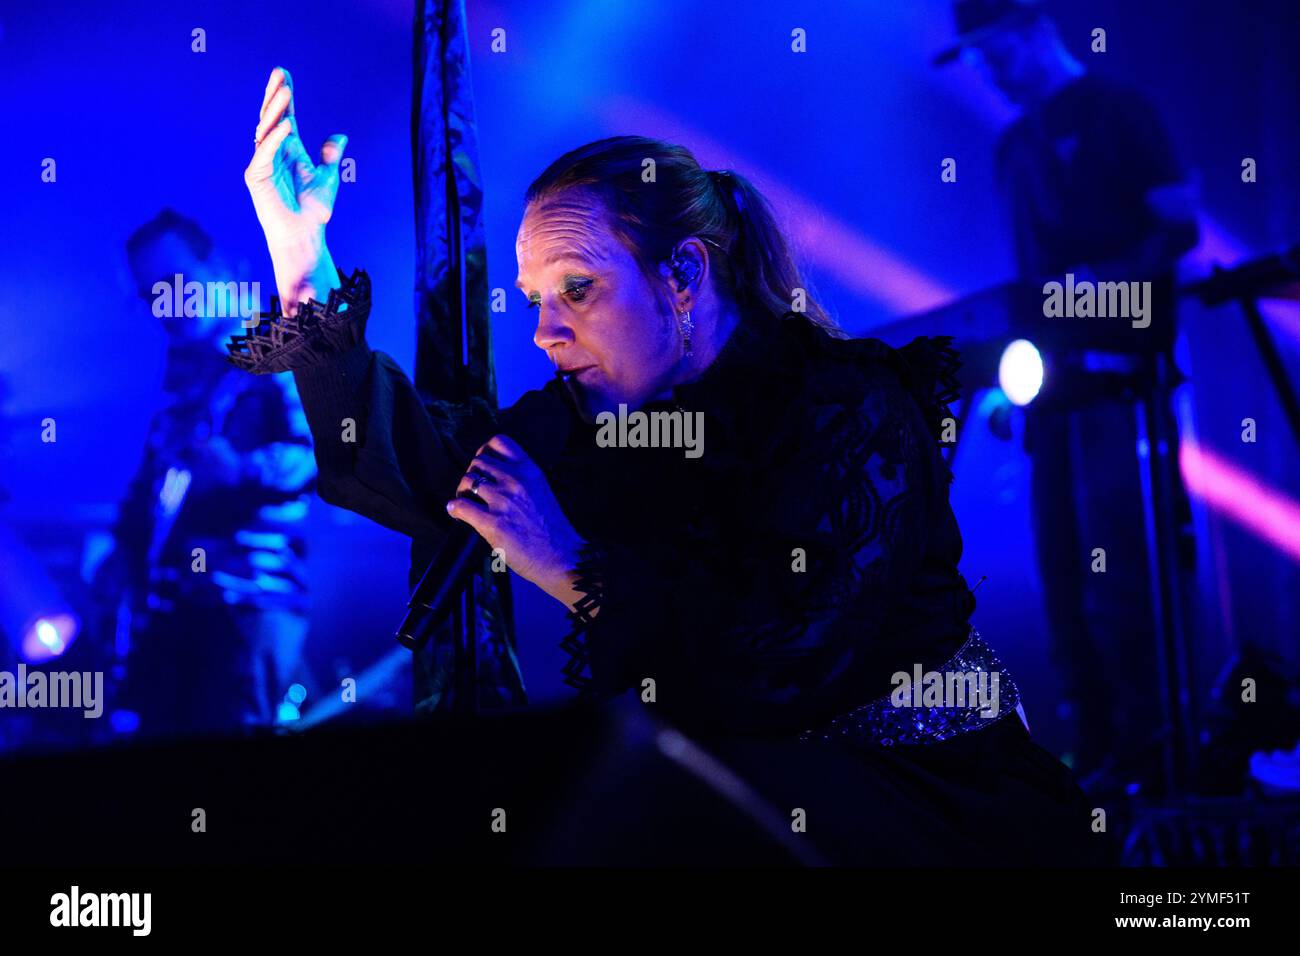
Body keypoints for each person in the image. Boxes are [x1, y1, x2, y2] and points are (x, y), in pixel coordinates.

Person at [229, 67, 1103, 864]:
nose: (544, 332)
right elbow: (416, 463)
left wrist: (569, 565)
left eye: (579, 289)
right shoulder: (589, 414)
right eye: (537, 300)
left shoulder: (848, 409)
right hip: (741, 794)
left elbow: (780, 672)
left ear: (683, 273)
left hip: (925, 802)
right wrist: (300, 255)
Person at [937, 0, 1200, 787]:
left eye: (994, 54)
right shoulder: (1013, 144)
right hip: (1048, 396)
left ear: (1035, 33)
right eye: (976, 61)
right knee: (1064, 575)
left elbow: (1174, 231)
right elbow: (1028, 284)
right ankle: (1097, 760)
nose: (989, 73)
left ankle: (1157, 760)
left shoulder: (1119, 110)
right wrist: (1002, 379)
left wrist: (1094, 295)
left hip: (1121, 394)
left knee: (1125, 575)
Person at [102, 209, 318, 737]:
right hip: (175, 612)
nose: (165, 306)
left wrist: (241, 468)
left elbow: (324, 452)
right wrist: (121, 549)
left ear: (218, 264)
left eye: (174, 284)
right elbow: (158, 479)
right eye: (150, 295)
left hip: (247, 602)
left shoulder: (277, 342)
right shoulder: (185, 368)